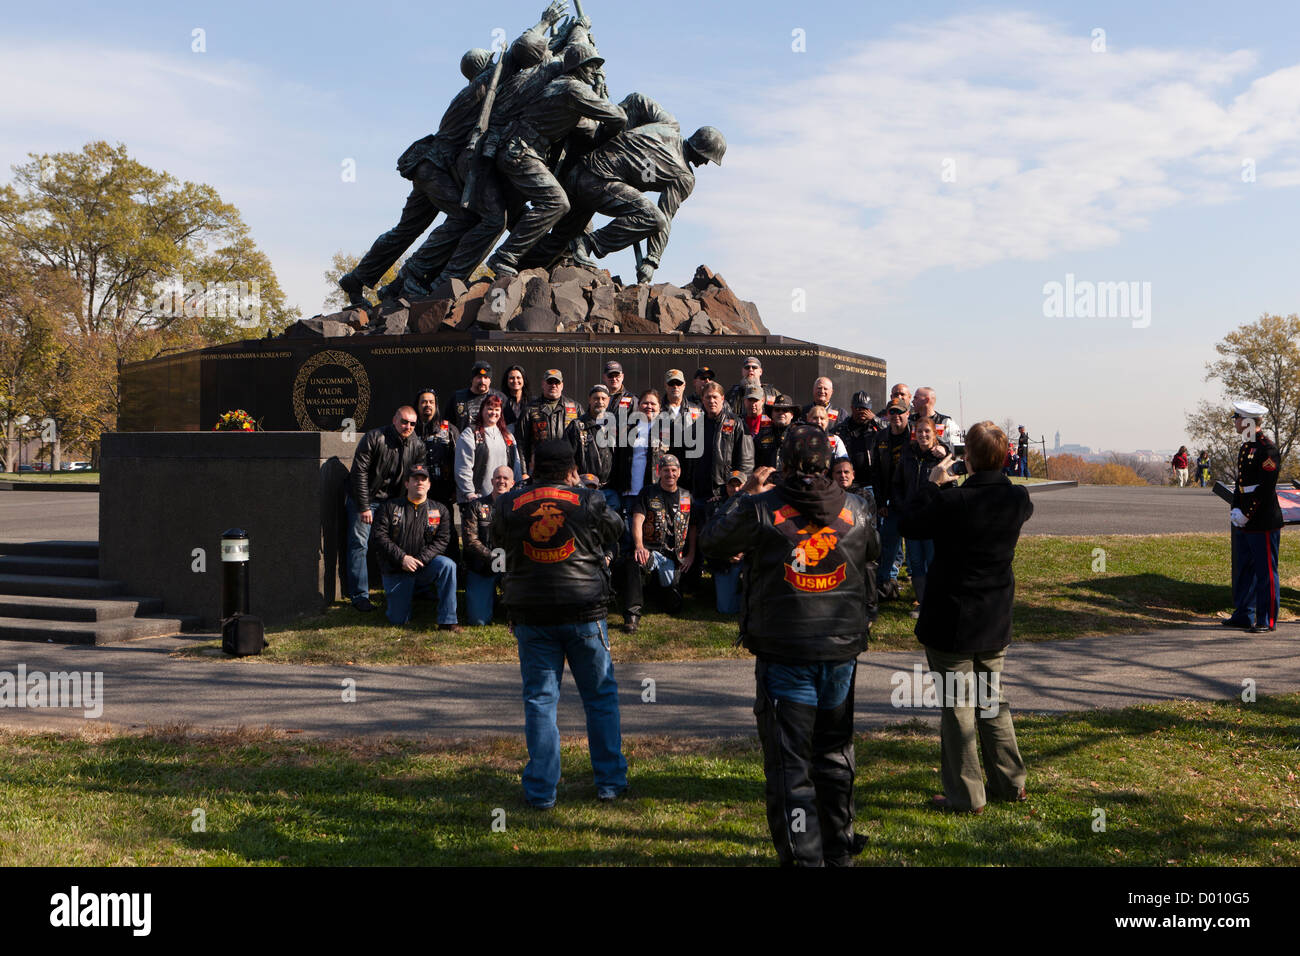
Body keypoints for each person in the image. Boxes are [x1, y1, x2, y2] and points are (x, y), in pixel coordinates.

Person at [700, 425, 880, 866]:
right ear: (826, 461)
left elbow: (713, 541)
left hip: (788, 652)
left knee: (790, 766)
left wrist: (747, 493)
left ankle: (807, 857)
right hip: (838, 650)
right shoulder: (857, 507)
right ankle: (838, 848)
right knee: (834, 755)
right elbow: (871, 549)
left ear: (784, 461)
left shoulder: (761, 506)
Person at [898, 421, 1032, 814]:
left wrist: (932, 482)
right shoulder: (1018, 500)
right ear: (1006, 457)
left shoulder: (951, 502)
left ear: (967, 457)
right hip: (993, 616)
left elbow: (908, 522)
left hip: (952, 616)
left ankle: (967, 794)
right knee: (992, 701)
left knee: (958, 708)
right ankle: (1011, 783)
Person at [491, 439, 627, 808]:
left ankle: (541, 792)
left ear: (532, 465)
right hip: (584, 610)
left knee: (540, 700)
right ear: (571, 468)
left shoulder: (507, 503)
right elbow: (616, 530)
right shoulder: (588, 499)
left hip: (532, 613)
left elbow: (496, 540)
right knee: (599, 697)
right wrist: (583, 491)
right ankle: (610, 782)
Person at [517, 92, 724, 280]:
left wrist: (616, 136)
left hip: (580, 172)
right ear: (701, 151)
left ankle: (516, 270)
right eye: (707, 158)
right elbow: (664, 217)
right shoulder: (684, 177)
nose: (705, 163)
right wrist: (652, 260)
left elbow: (636, 100)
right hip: (597, 185)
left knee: (560, 241)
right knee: (653, 218)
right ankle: (588, 243)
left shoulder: (668, 123)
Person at [346, 407, 428, 612]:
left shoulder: (417, 445)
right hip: (366, 500)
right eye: (404, 421)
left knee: (400, 544)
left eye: (412, 423)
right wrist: (364, 506)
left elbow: (417, 476)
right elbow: (360, 472)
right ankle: (359, 596)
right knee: (359, 545)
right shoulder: (375, 437)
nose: (407, 426)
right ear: (394, 419)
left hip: (394, 503)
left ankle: (402, 589)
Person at [371, 464, 461, 631]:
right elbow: (379, 537)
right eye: (415, 479)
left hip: (424, 566)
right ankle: (408, 595)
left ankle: (448, 620)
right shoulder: (389, 507)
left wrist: (420, 559)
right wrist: (402, 558)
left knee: (448, 565)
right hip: (397, 568)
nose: (419, 482)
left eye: (423, 479)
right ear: (407, 483)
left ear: (429, 485)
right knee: (398, 620)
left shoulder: (440, 510)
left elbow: (442, 540)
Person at [619, 453, 695, 632]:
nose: (670, 474)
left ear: (679, 472)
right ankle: (632, 614)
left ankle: (658, 592)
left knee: (673, 606)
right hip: (650, 550)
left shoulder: (686, 496)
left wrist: (691, 555)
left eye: (674, 470)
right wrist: (639, 546)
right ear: (658, 471)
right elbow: (637, 519)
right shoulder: (647, 492)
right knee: (634, 562)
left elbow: (693, 527)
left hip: (674, 555)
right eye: (666, 470)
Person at [1226, 401, 1283, 633]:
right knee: (1245, 569)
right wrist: (1236, 510)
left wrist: (1247, 514)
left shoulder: (1266, 449)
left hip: (1262, 519)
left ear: (1249, 422)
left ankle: (1266, 619)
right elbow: (1242, 485)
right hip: (1245, 518)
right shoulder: (1247, 446)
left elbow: (1265, 488)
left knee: (1265, 572)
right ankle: (1243, 614)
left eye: (1238, 418)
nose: (1236, 422)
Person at [894, 417, 954, 616]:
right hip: (912, 517)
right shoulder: (908, 454)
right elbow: (898, 483)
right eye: (919, 431)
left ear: (934, 434)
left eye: (927, 431)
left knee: (933, 561)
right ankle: (922, 602)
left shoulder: (940, 458)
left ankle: (936, 601)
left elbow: (950, 487)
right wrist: (903, 506)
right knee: (916, 563)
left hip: (933, 519)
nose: (923, 435)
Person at [461, 465, 515, 626]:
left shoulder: (519, 507)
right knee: (479, 621)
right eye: (498, 477)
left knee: (521, 617)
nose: (501, 481)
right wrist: (494, 557)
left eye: (506, 478)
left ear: (513, 483)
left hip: (510, 567)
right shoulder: (475, 506)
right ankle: (490, 598)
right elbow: (470, 541)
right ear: (492, 481)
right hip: (482, 566)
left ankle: (506, 601)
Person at [870, 398, 912, 600]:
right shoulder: (881, 437)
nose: (896, 416)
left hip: (912, 501)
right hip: (890, 501)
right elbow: (876, 472)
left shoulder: (914, 436)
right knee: (888, 544)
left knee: (915, 547)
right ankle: (884, 586)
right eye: (892, 412)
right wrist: (880, 503)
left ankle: (920, 589)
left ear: (907, 413)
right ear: (886, 415)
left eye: (900, 412)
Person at [689, 381, 755, 501]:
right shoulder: (696, 426)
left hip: (726, 493)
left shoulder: (736, 423)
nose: (711, 401)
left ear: (723, 398)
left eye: (715, 397)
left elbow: (747, 462)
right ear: (702, 399)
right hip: (700, 495)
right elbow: (691, 464)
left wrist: (733, 491)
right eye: (708, 397)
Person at [455, 394, 523, 502]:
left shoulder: (507, 436)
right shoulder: (470, 434)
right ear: (482, 410)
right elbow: (463, 468)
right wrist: (470, 494)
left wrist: (519, 490)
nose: (493, 413)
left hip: (504, 500)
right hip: (477, 500)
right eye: (490, 409)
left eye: (497, 409)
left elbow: (516, 467)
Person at [518, 369, 581, 473]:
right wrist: (524, 472)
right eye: (550, 382)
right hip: (540, 468)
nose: (553, 385)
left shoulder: (575, 408)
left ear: (562, 385)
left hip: (566, 467)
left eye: (557, 382)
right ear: (543, 384)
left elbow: (583, 443)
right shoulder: (530, 409)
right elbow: (521, 443)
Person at [567, 384, 617, 507]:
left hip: (611, 489)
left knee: (610, 524)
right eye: (596, 398)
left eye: (603, 398)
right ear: (589, 400)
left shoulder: (615, 425)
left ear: (608, 400)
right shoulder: (576, 426)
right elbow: (567, 458)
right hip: (584, 488)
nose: (600, 402)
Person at [413, 388, 461, 513]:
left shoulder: (448, 429)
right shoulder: (409, 429)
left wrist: (457, 488)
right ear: (417, 405)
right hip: (414, 489)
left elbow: (459, 460)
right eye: (424, 402)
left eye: (431, 402)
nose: (428, 405)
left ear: (436, 405)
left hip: (442, 491)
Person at [452, 361, 507, 431]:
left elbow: (507, 424)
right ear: (472, 379)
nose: (482, 381)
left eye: (486, 377)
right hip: (464, 440)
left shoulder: (500, 398)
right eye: (479, 377)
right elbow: (448, 423)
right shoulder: (458, 397)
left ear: (490, 380)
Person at [500, 365, 531, 434]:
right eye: (512, 378)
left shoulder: (532, 401)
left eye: (518, 377)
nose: (515, 381)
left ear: (523, 380)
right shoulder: (500, 400)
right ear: (506, 380)